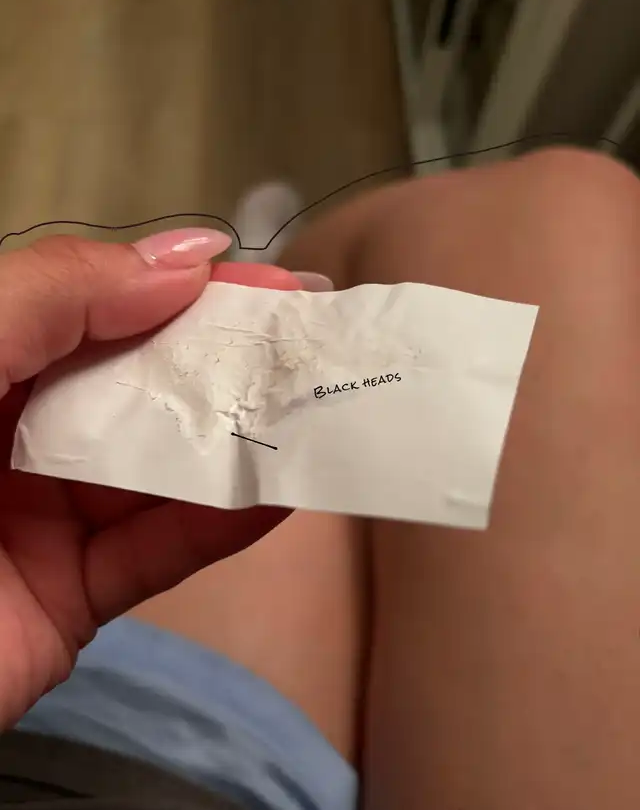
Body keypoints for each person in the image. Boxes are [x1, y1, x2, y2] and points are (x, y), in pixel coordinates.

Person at [1, 145, 640, 810]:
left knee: (562, 201)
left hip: (78, 730)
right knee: (567, 200)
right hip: (175, 761)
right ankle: (281, 292)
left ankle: (276, 293)